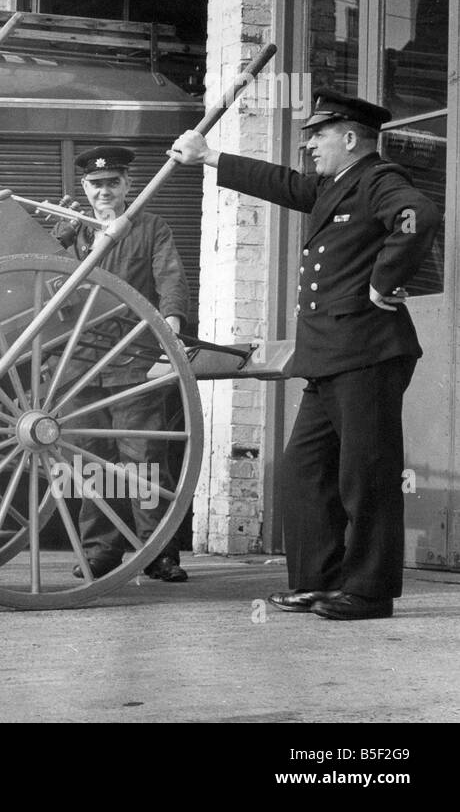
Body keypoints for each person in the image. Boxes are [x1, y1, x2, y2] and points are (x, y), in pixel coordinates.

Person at [170, 89, 440, 620]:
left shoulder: (378, 179)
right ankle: (317, 581)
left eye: (318, 135)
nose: (310, 145)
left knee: (366, 475)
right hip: (328, 356)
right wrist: (210, 157)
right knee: (305, 470)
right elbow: (285, 184)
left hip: (367, 350)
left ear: (349, 138)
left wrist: (384, 281)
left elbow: (418, 216)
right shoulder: (336, 185)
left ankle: (368, 593)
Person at [52, 146, 191, 583]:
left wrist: (171, 332)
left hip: (133, 359)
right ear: (84, 189)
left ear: (128, 185)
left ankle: (159, 552)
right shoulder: (71, 232)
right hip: (80, 365)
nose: (104, 191)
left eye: (113, 182)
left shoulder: (150, 228)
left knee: (143, 458)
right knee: (91, 461)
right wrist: (57, 232)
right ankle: (101, 552)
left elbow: (170, 280)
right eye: (96, 185)